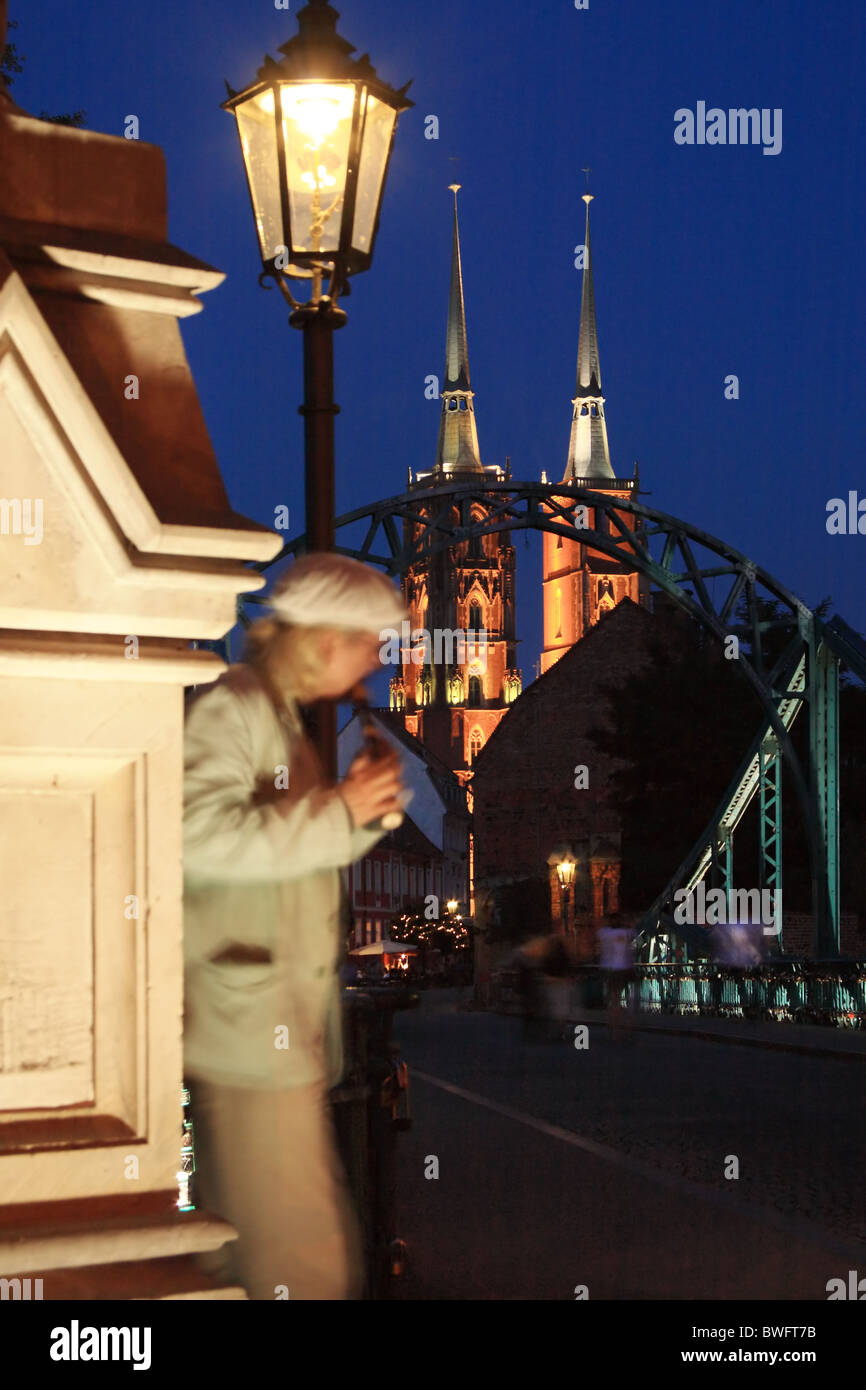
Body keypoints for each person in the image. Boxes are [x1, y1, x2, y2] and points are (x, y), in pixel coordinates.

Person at [182, 553, 409, 1300]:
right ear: (322, 640)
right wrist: (340, 810)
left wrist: (361, 821)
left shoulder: (276, 716)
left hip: (266, 1038)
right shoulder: (235, 706)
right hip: (246, 1038)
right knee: (302, 1264)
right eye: (367, 646)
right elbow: (194, 838)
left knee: (254, 1252)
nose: (373, 670)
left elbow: (281, 853)